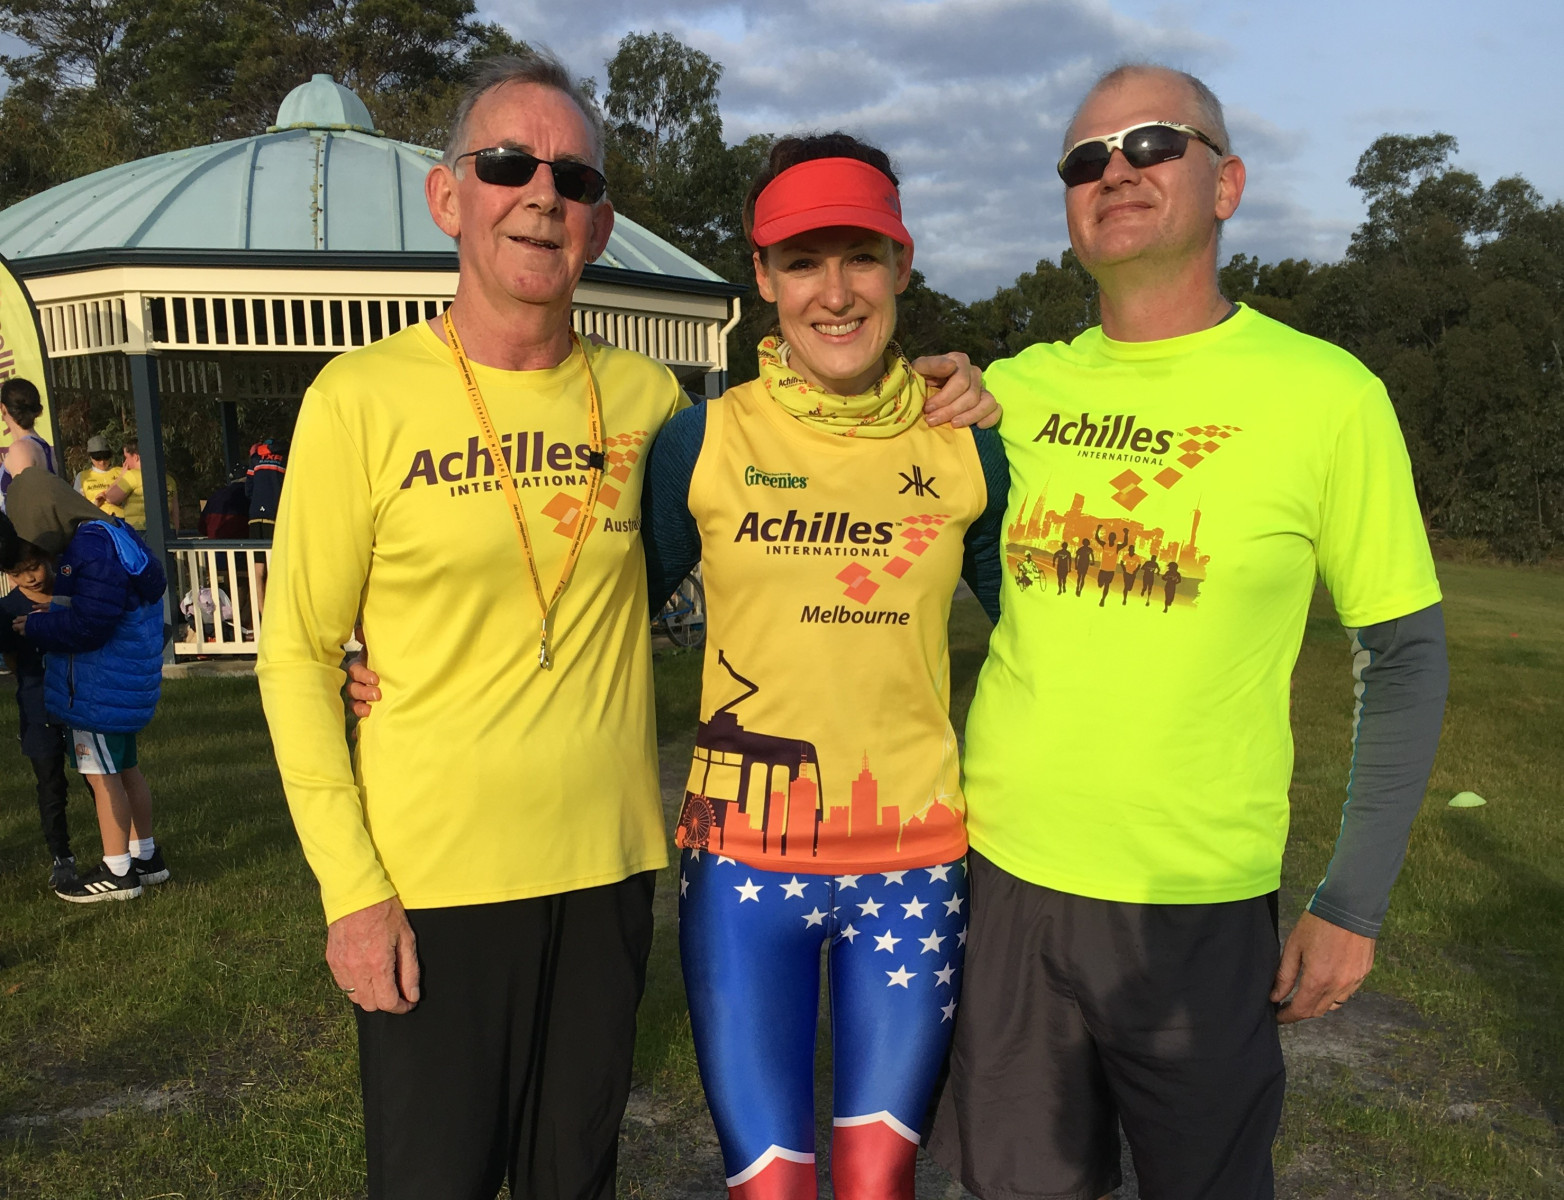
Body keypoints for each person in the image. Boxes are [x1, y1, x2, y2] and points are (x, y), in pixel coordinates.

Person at [259, 52, 995, 1200]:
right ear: (448, 196)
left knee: (576, 1178)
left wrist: (953, 392)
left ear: (599, 225)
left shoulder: (656, 408)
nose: (542, 193)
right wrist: (351, 890)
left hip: (608, 869)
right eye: (508, 164)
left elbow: (665, 568)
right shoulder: (358, 396)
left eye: (575, 177)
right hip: (431, 877)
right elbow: (294, 656)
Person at [929, 64, 1449, 1200]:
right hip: (1007, 878)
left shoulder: (1325, 395)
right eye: (1084, 158)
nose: (1114, 170)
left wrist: (1351, 902)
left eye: (1153, 143)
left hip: (1193, 904)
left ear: (1227, 184)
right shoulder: (1010, 392)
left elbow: (1404, 656)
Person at [633, 133, 1006, 1200]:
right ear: (760, 279)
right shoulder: (698, 441)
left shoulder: (967, 442)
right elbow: (600, 622)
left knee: (879, 1185)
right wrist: (398, 666)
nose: (833, 293)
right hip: (741, 867)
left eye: (860, 257)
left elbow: (1049, 622)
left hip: (915, 861)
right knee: (770, 1188)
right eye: (802, 261)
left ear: (902, 265)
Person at [2, 456, 170, 903]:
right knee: (126, 766)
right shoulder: (112, 532)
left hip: (97, 688)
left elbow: (91, 626)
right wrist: (58, 609)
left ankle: (118, 872)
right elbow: (109, 606)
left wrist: (37, 626)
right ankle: (146, 856)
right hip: (124, 683)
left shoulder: (87, 549)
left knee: (100, 775)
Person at [0, 533, 81, 891]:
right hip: (37, 706)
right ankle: (61, 855)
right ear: (9, 575)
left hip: (81, 701)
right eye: (21, 573)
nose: (32, 577)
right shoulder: (6, 609)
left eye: (35, 566)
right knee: (50, 783)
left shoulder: (70, 593)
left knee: (100, 779)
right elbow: (13, 660)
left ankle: (123, 850)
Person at [0, 377, 58, 512]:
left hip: (20, 531)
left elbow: (25, 504)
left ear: (3, 408)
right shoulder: (46, 448)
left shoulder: (20, 449)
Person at [74, 435, 120, 508]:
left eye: (106, 456)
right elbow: (78, 506)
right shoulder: (82, 477)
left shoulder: (121, 472)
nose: (102, 462)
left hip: (121, 517)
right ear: (91, 457)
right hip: (96, 517)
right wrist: (95, 504)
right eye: (97, 458)